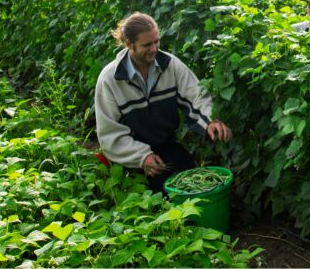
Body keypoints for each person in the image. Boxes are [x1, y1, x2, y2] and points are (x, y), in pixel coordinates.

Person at [94, 12, 232, 193]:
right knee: (157, 196)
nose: (154, 48)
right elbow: (110, 134)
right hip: (130, 156)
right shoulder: (110, 79)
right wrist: (142, 158)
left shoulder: (170, 65)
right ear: (129, 44)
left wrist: (210, 121)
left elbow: (195, 95)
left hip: (166, 144)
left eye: (157, 42)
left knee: (193, 185)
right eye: (147, 44)